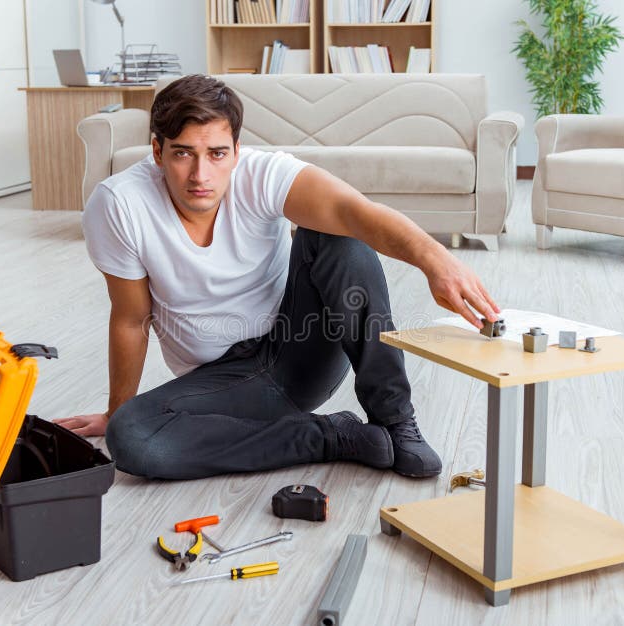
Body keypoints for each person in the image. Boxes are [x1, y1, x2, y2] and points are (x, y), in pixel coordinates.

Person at [54, 74, 499, 480]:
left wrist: (436, 261)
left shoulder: (262, 174)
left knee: (338, 235)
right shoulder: (119, 204)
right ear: (157, 151)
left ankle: (394, 420)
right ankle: (333, 437)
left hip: (300, 354)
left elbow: (354, 211)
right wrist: (116, 413)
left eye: (217, 154)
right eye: (183, 153)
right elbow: (131, 318)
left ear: (236, 150)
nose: (200, 175)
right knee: (132, 436)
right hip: (222, 386)